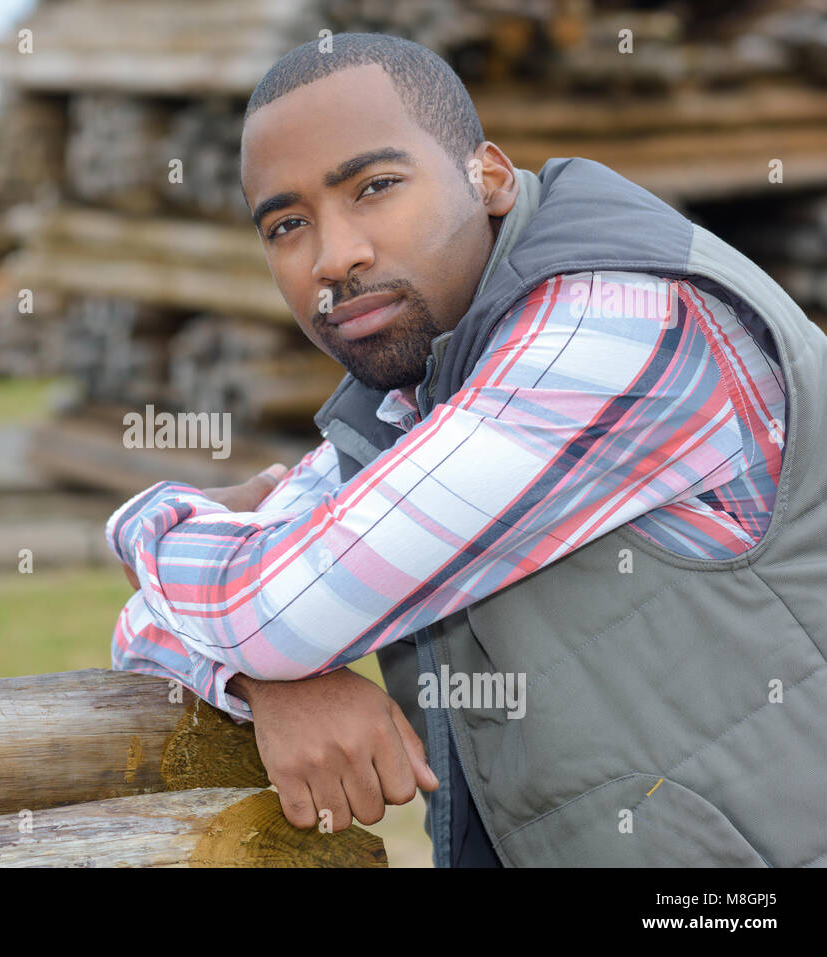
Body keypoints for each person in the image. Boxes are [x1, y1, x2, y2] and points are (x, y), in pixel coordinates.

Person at [105, 32, 826, 867]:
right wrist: (261, 681)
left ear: (486, 176)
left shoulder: (617, 327)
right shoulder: (416, 395)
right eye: (288, 224)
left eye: (374, 187)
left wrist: (144, 524)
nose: (335, 257)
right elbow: (159, 623)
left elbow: (267, 606)